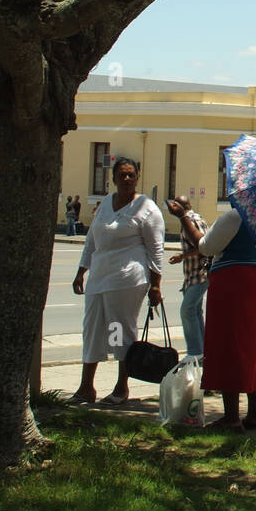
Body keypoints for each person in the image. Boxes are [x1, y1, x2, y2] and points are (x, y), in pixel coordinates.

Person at [70, 158, 165, 405]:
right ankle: (86, 387)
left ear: (137, 178)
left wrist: (156, 285)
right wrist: (82, 270)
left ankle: (121, 388)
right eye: (121, 175)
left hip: (126, 279)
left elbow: (156, 250)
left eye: (130, 175)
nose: (126, 179)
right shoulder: (105, 205)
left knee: (119, 332)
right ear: (113, 178)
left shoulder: (146, 208)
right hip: (98, 277)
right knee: (92, 329)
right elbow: (92, 239)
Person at [199, 204, 256, 431]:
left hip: (234, 280)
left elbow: (207, 246)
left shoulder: (234, 216)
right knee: (253, 347)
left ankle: (231, 417)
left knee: (227, 345)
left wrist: (185, 217)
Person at [166, 196, 210, 361]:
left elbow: (204, 246)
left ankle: (195, 352)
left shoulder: (191, 219)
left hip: (200, 273)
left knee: (187, 310)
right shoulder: (193, 218)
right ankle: (203, 351)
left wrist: (182, 256)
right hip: (193, 274)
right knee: (195, 311)